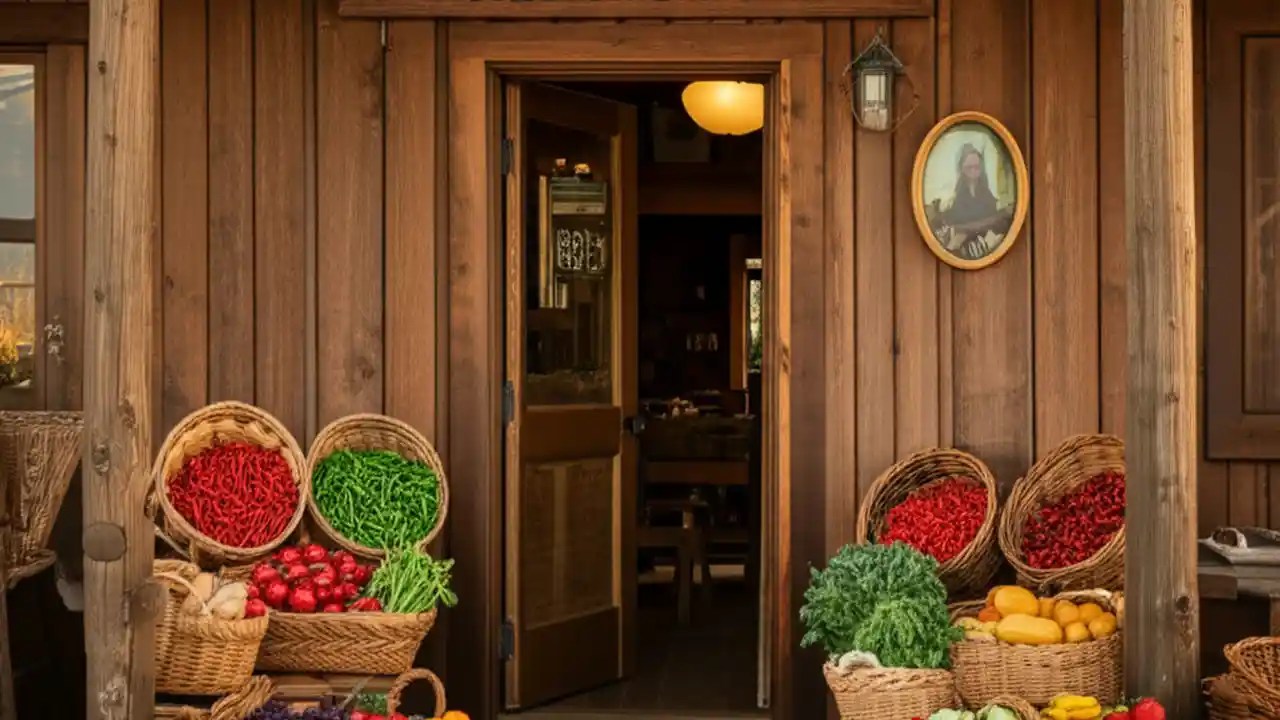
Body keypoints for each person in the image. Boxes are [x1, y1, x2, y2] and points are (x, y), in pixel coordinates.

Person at [931, 142, 1013, 260]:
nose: (974, 171)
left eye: (977, 167)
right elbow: (953, 224)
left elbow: (993, 219)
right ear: (962, 169)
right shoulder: (956, 197)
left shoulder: (986, 193)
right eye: (969, 167)